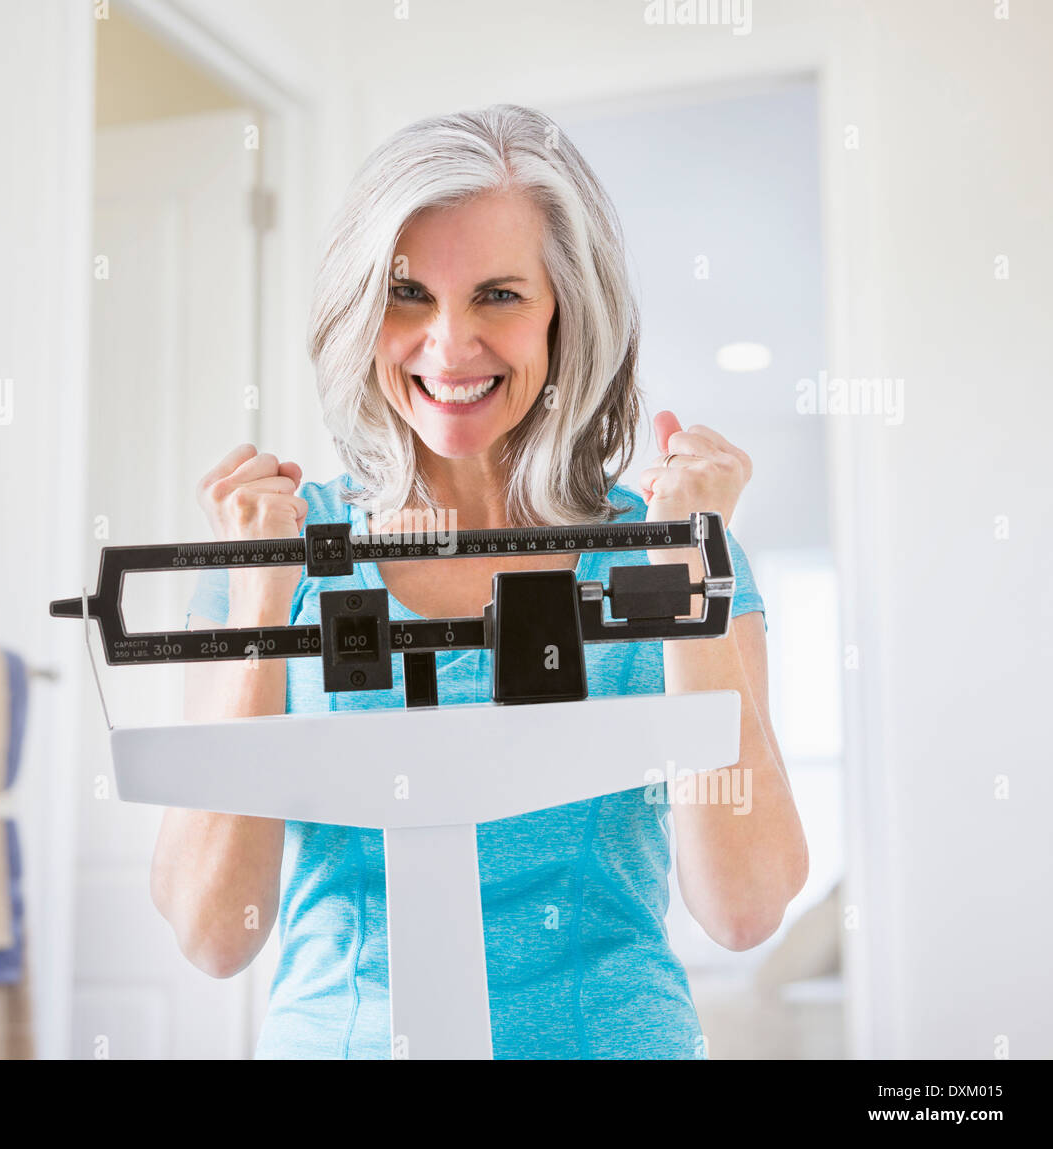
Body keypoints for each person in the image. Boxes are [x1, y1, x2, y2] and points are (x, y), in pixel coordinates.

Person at [151, 104, 808, 1060]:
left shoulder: (670, 549)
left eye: (499, 295)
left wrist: (687, 579)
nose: (450, 345)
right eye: (408, 294)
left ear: (563, 313)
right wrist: (258, 604)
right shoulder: (275, 553)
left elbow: (744, 909)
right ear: (359, 310)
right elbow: (215, 934)